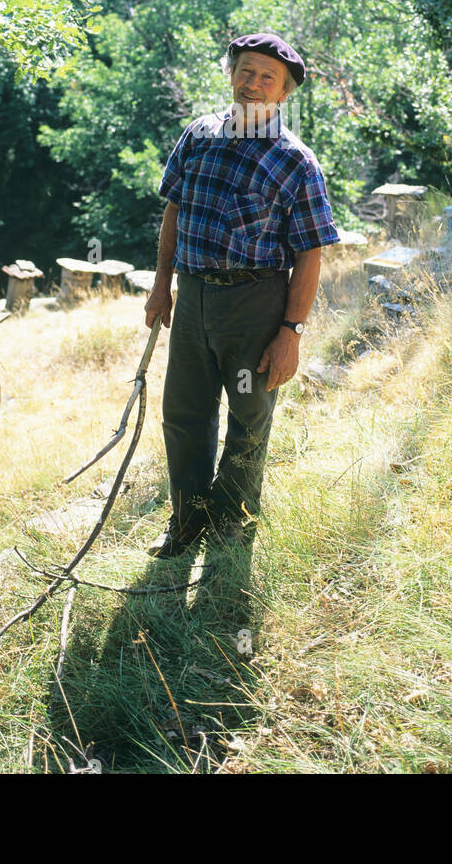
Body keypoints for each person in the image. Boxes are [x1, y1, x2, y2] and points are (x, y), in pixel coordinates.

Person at [143, 31, 340, 558]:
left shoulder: (294, 160)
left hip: (255, 305)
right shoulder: (198, 135)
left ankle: (233, 523)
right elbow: (174, 211)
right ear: (231, 73)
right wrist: (162, 284)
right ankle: (186, 520)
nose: (253, 85)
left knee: (249, 415)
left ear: (283, 93)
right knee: (183, 411)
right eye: (246, 71)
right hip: (193, 297)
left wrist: (291, 333)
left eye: (267, 78)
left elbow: (311, 254)